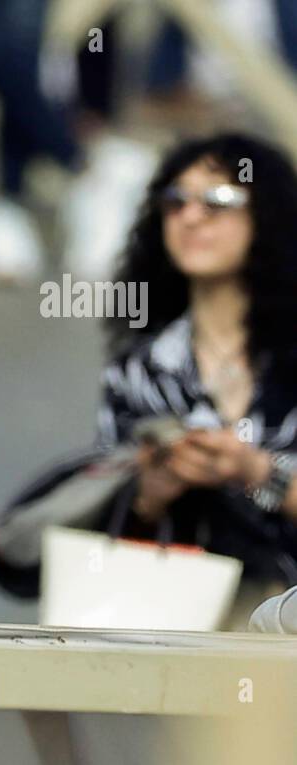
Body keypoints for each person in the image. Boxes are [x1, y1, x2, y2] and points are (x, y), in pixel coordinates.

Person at [95, 132, 297, 624]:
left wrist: (257, 473)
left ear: (267, 212)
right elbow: (107, 535)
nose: (190, 216)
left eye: (218, 201)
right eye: (175, 200)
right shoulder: (138, 372)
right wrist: (151, 493)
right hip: (183, 628)